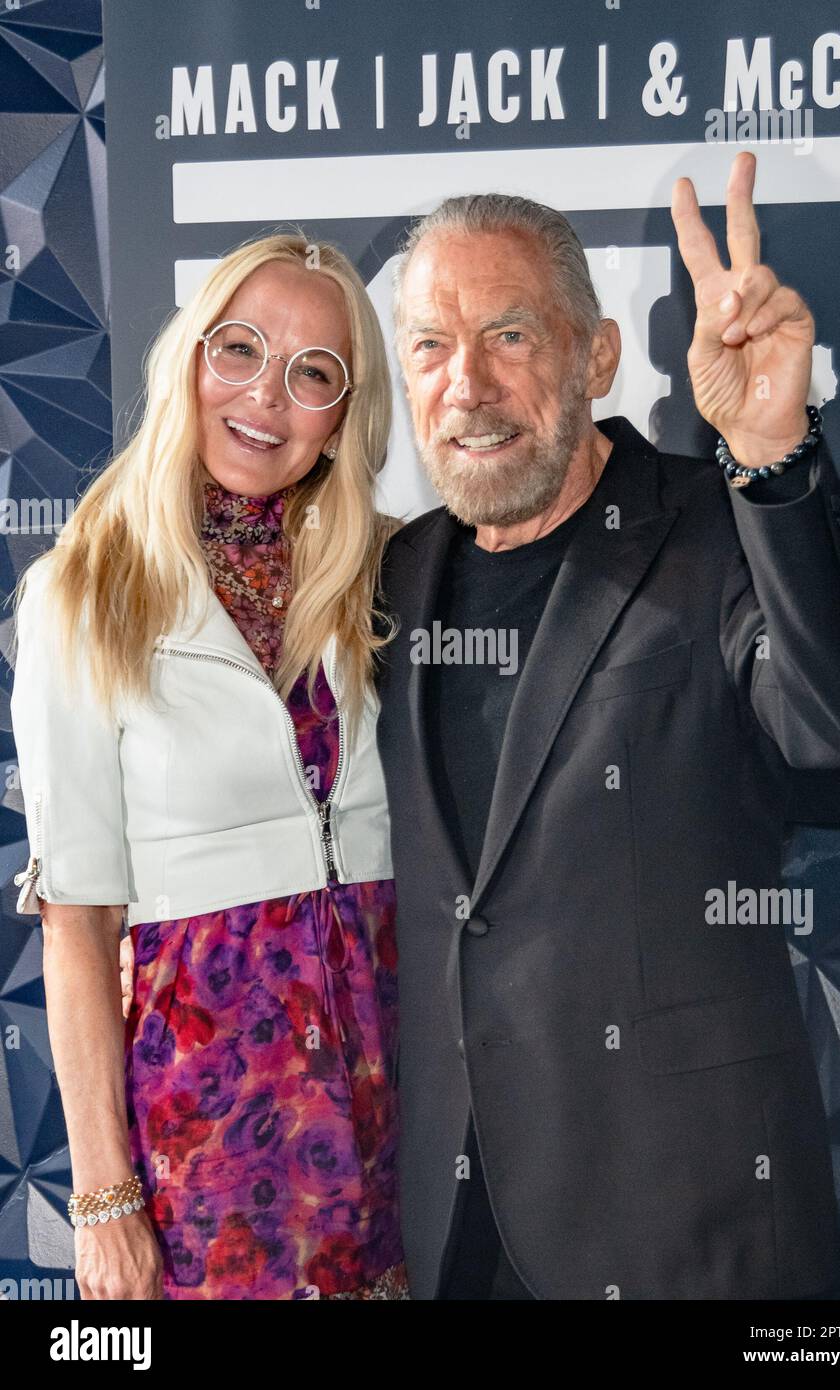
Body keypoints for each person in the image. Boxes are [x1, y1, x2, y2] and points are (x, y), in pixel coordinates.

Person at [373, 151, 840, 1299]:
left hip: (689, 1230)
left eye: (510, 335)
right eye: (429, 345)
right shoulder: (387, 581)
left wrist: (770, 457)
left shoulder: (718, 536)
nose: (464, 382)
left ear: (598, 355)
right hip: (453, 1238)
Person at [9, 233, 407, 1300]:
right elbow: (80, 920)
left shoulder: (394, 575)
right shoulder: (81, 591)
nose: (265, 396)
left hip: (399, 1104)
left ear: (341, 419)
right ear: (188, 358)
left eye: (312, 372)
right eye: (238, 347)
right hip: (212, 1131)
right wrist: (103, 1201)